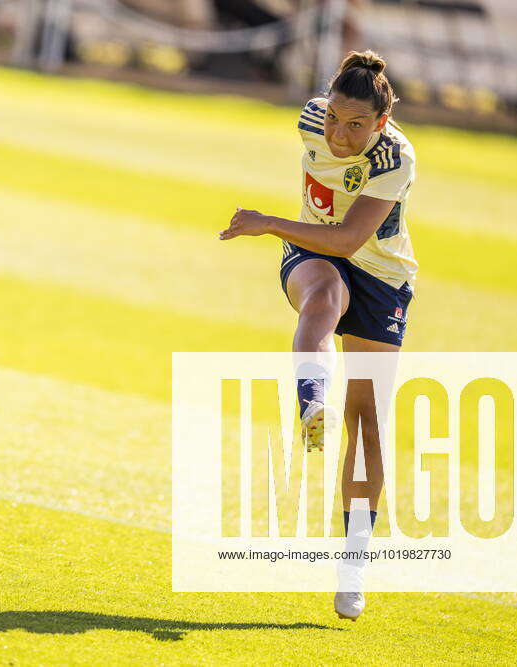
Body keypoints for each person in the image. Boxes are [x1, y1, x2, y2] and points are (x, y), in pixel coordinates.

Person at [219, 49, 417, 621]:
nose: (337, 132)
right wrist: (287, 231)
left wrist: (267, 223)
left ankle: (353, 565)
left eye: (355, 124)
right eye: (333, 116)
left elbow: (352, 240)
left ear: (380, 122)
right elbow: (328, 242)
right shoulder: (310, 118)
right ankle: (311, 404)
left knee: (370, 420)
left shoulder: (396, 155)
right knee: (323, 300)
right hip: (313, 247)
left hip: (380, 272)